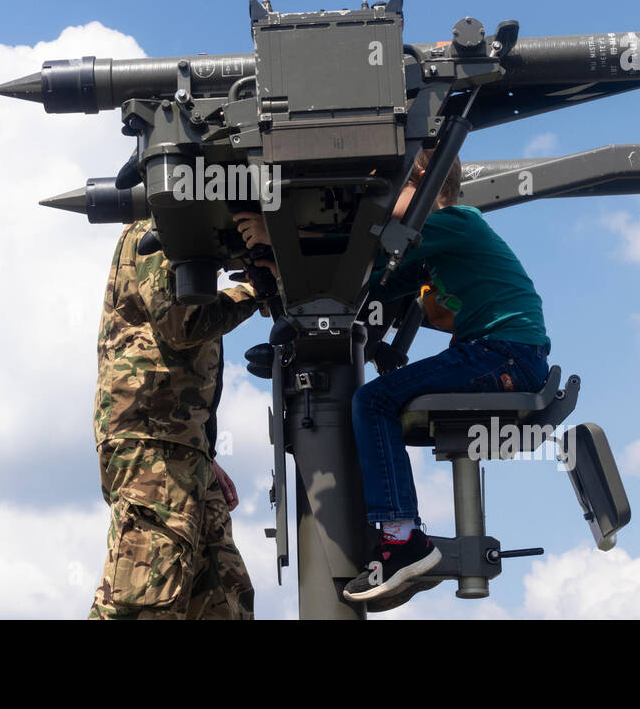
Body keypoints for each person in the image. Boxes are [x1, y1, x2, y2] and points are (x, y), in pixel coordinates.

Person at [234, 152, 550, 605]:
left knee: (372, 402)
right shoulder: (429, 251)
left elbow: (365, 249)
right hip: (498, 354)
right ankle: (399, 536)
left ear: (421, 180)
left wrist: (282, 234)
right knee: (377, 403)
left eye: (384, 191)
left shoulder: (459, 222)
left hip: (506, 355)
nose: (373, 205)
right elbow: (367, 283)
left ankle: (402, 539)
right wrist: (283, 269)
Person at [89, 217, 265, 620]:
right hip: (151, 439)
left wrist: (206, 454)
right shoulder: (161, 229)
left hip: (182, 443)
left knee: (223, 597)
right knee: (145, 598)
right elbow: (181, 324)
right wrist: (258, 291)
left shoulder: (185, 233)